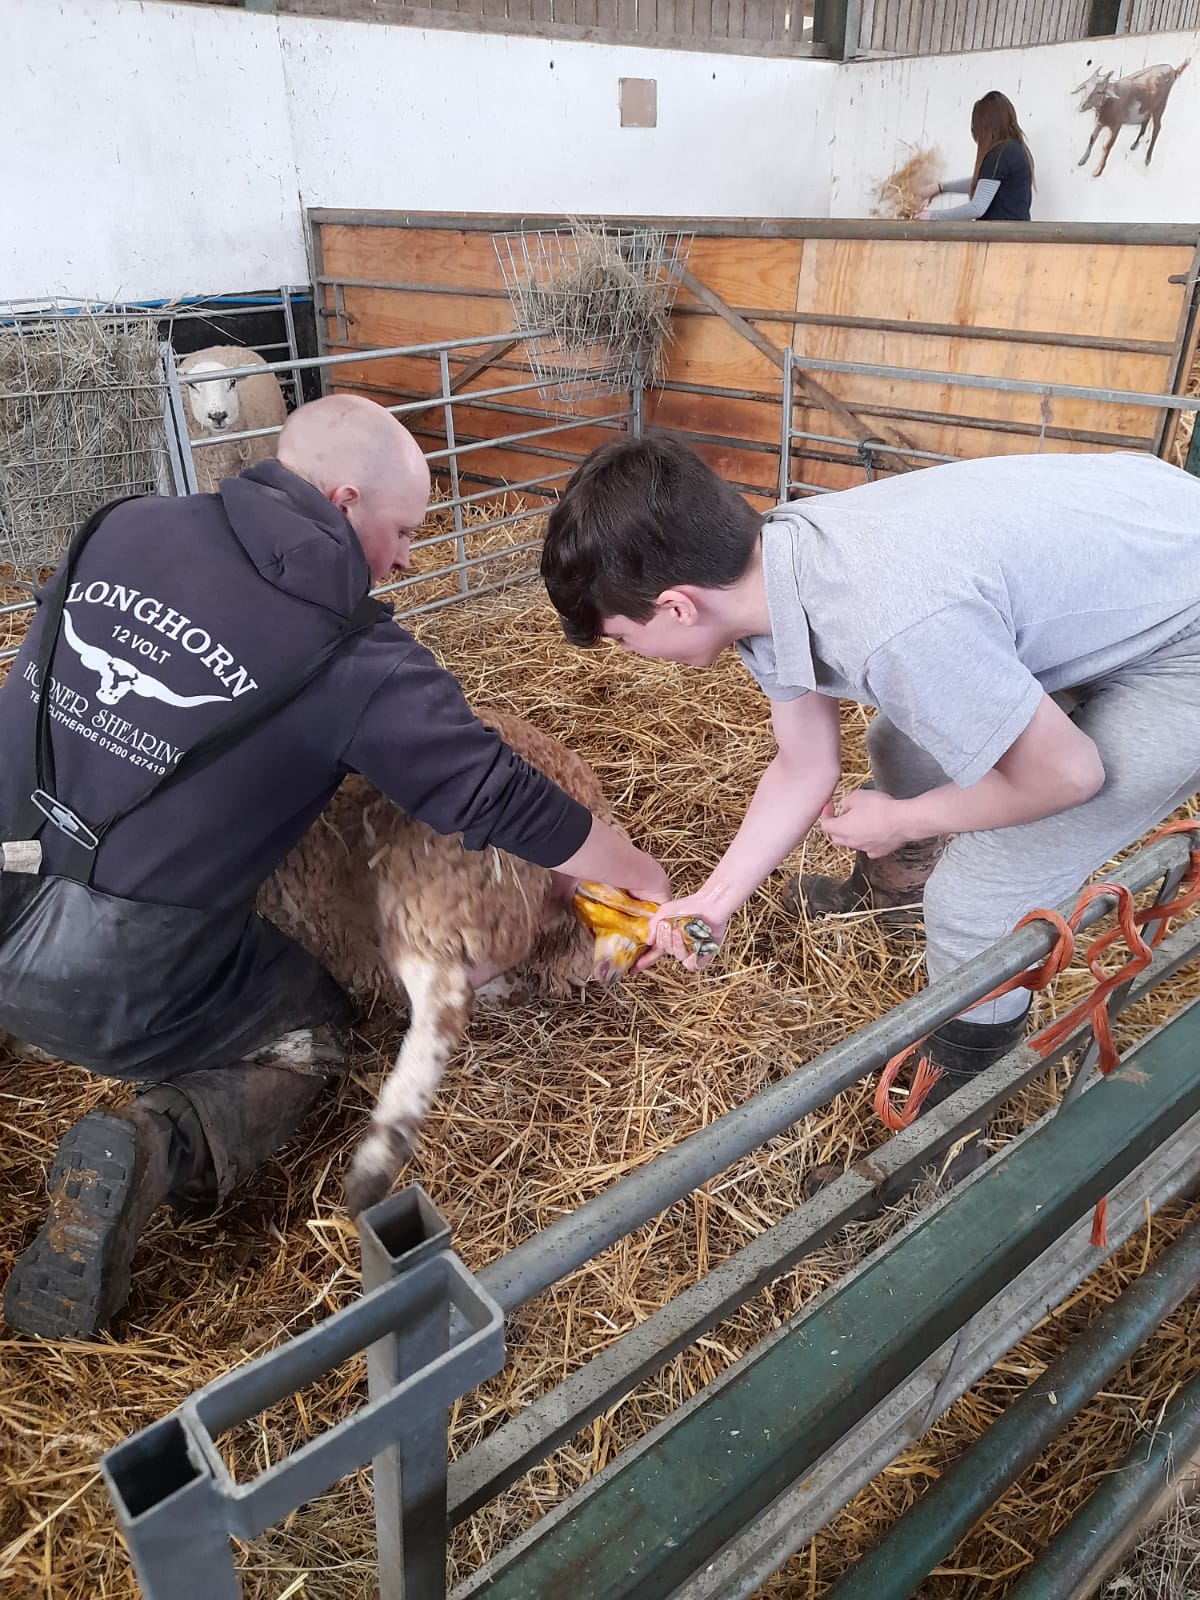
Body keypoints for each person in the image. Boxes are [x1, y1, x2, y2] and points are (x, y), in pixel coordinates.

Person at [0, 394, 668, 1341]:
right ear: (347, 501)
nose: (403, 560)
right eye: (401, 532)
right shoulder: (352, 656)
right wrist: (633, 868)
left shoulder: (123, 524)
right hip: (108, 971)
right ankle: (156, 1144)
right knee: (311, 1029)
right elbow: (491, 792)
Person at [540, 432, 1200, 1177]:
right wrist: (711, 902)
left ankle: (942, 1146)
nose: (633, 656)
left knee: (977, 902)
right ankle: (892, 894)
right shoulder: (771, 568)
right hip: (1122, 564)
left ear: (677, 607)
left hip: (1184, 637)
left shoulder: (887, 622)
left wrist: (904, 819)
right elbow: (805, 764)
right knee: (901, 744)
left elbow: (1066, 776)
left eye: (626, 639)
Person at [916, 90, 1034, 222]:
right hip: (1016, 233)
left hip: (1001, 237)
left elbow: (977, 208)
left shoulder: (999, 154)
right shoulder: (1016, 149)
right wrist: (940, 188)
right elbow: (983, 184)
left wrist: (931, 216)